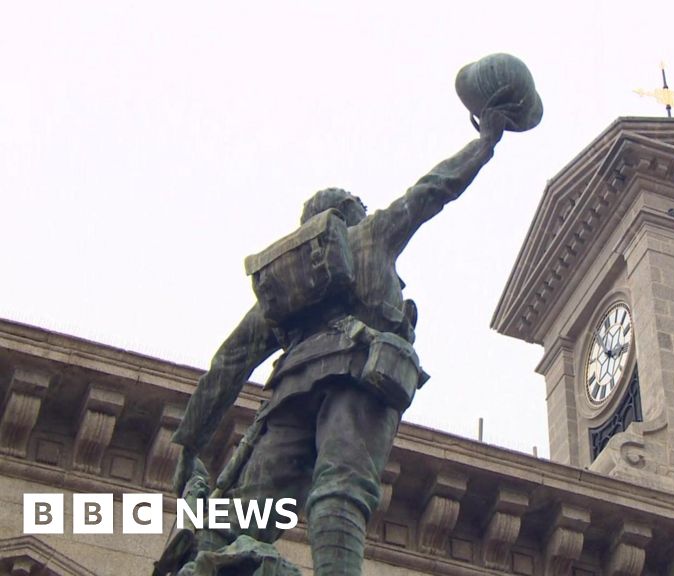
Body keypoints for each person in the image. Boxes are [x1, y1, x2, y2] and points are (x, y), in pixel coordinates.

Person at [169, 107, 510, 576]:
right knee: (339, 493)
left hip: (289, 392)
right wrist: (485, 143)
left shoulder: (284, 282)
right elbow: (433, 190)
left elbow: (228, 363)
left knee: (242, 517)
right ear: (351, 215)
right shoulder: (372, 234)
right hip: (360, 370)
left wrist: (189, 446)